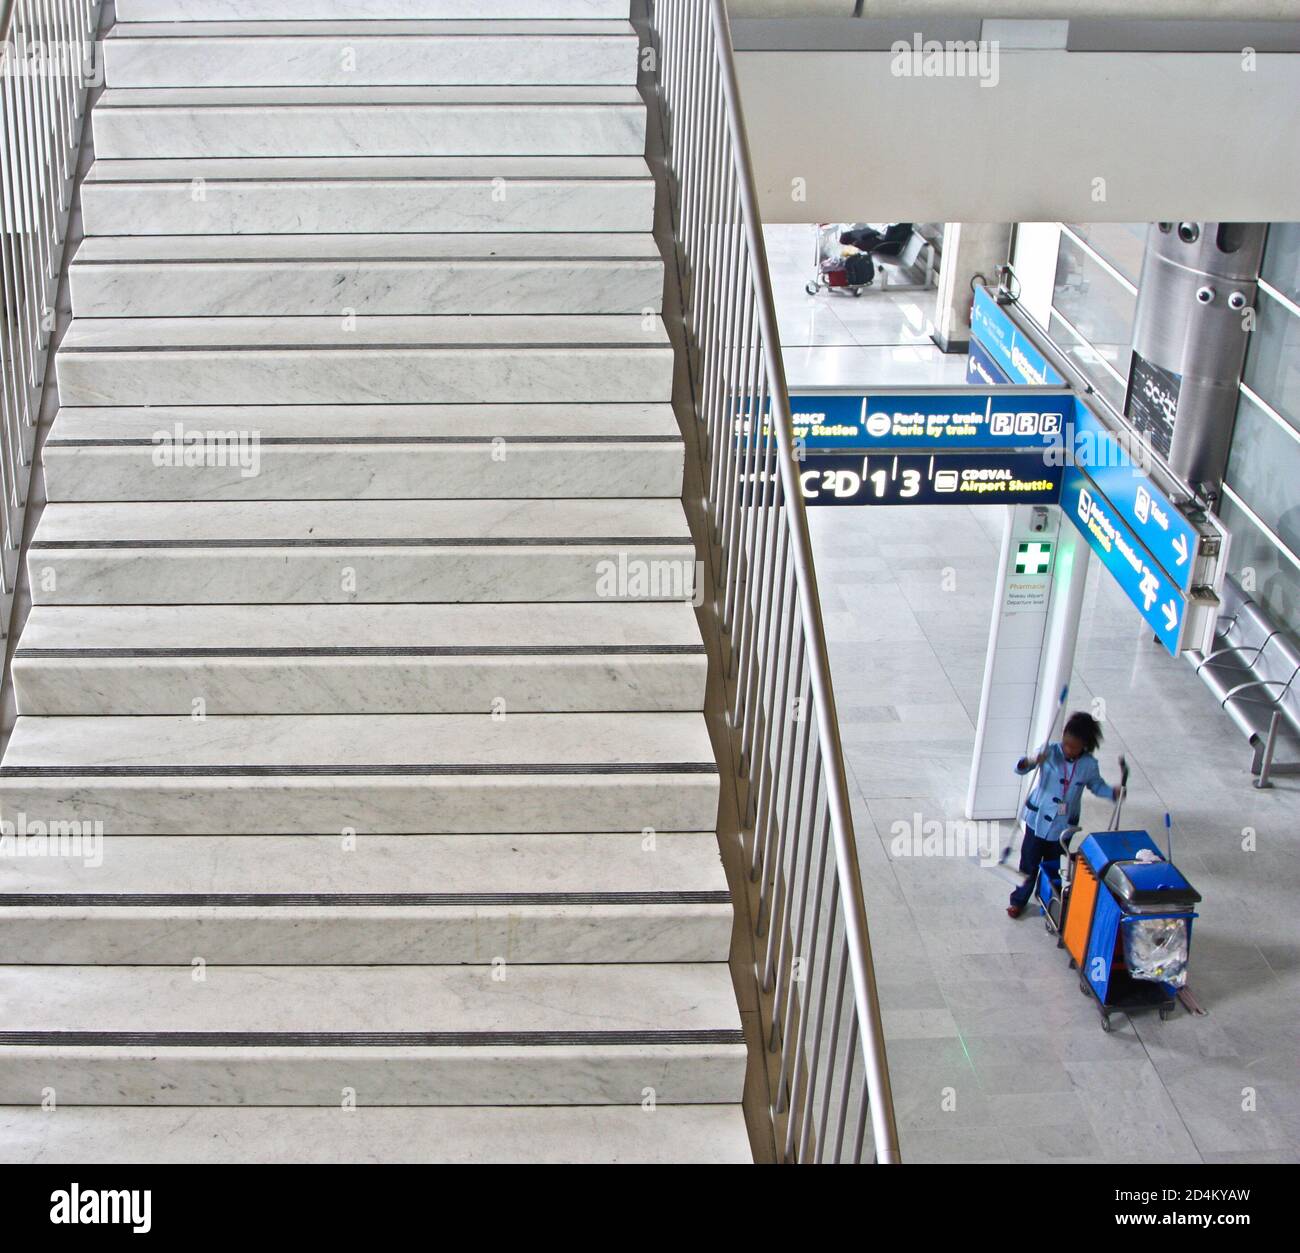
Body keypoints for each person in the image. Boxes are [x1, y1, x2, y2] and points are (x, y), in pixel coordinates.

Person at [1006, 711, 1122, 918]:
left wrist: (1111, 792)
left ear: (1084, 746)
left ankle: (1048, 900)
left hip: (1063, 826)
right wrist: (1030, 761)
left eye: (1074, 747)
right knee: (1028, 864)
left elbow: (1096, 786)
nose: (1068, 749)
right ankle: (1018, 900)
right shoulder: (1049, 751)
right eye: (1066, 744)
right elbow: (1022, 768)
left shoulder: (1088, 765)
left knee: (1054, 866)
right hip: (1038, 820)